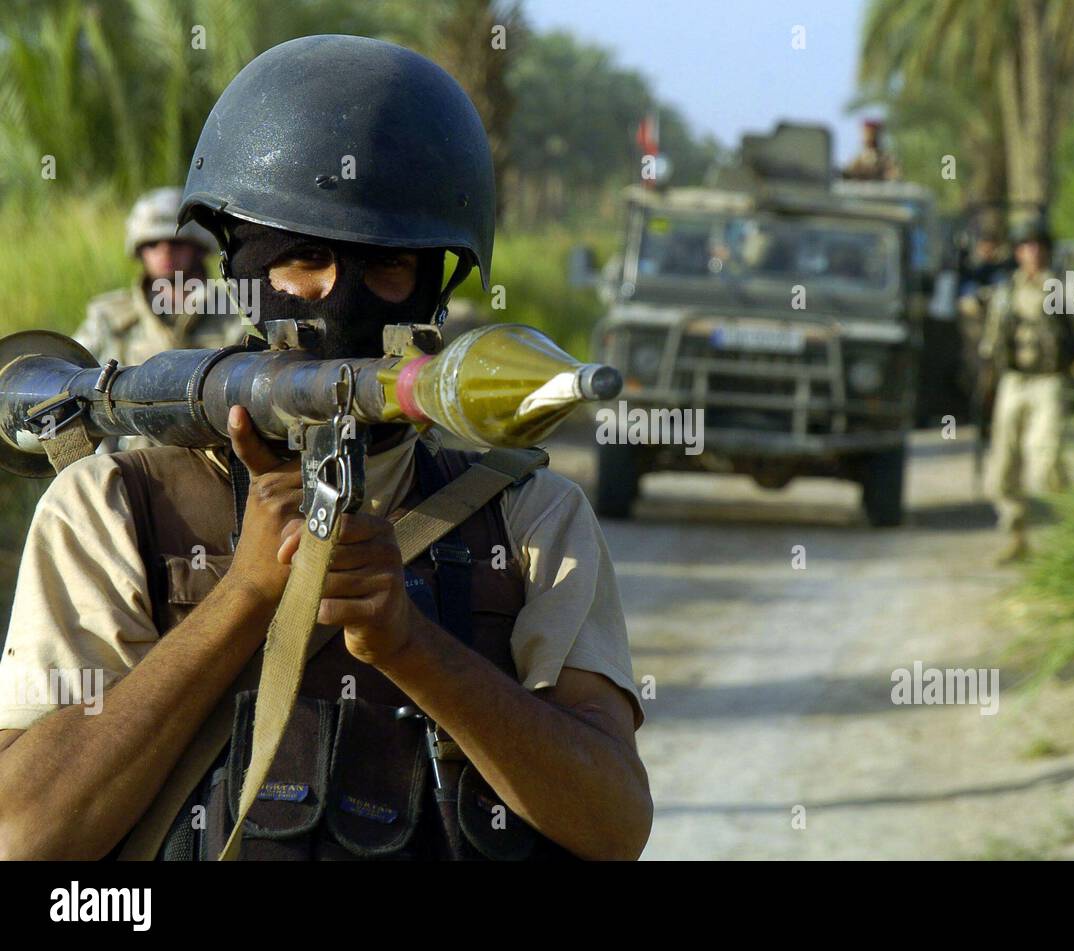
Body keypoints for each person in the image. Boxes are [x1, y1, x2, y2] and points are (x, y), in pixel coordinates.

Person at [0, 35, 651, 862]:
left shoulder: (530, 518)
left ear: (434, 286)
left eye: (385, 266)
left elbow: (614, 821)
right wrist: (243, 597)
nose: (338, 298)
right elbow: (25, 834)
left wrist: (413, 646)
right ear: (243, 268)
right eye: (303, 260)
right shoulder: (112, 508)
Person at [75, 187, 245, 451]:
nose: (165, 252)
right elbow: (71, 380)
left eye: (175, 243)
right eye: (153, 244)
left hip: (218, 457)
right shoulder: (111, 316)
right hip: (134, 462)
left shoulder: (236, 307)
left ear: (199, 248)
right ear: (139, 250)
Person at [978, 220, 1074, 563]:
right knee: (1003, 465)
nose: (1033, 253)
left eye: (1039, 245)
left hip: (1049, 381)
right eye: (1027, 246)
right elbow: (991, 345)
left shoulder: (1066, 290)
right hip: (1014, 381)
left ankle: (1072, 531)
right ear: (1017, 251)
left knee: (1044, 459)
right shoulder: (1005, 292)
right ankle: (1017, 537)